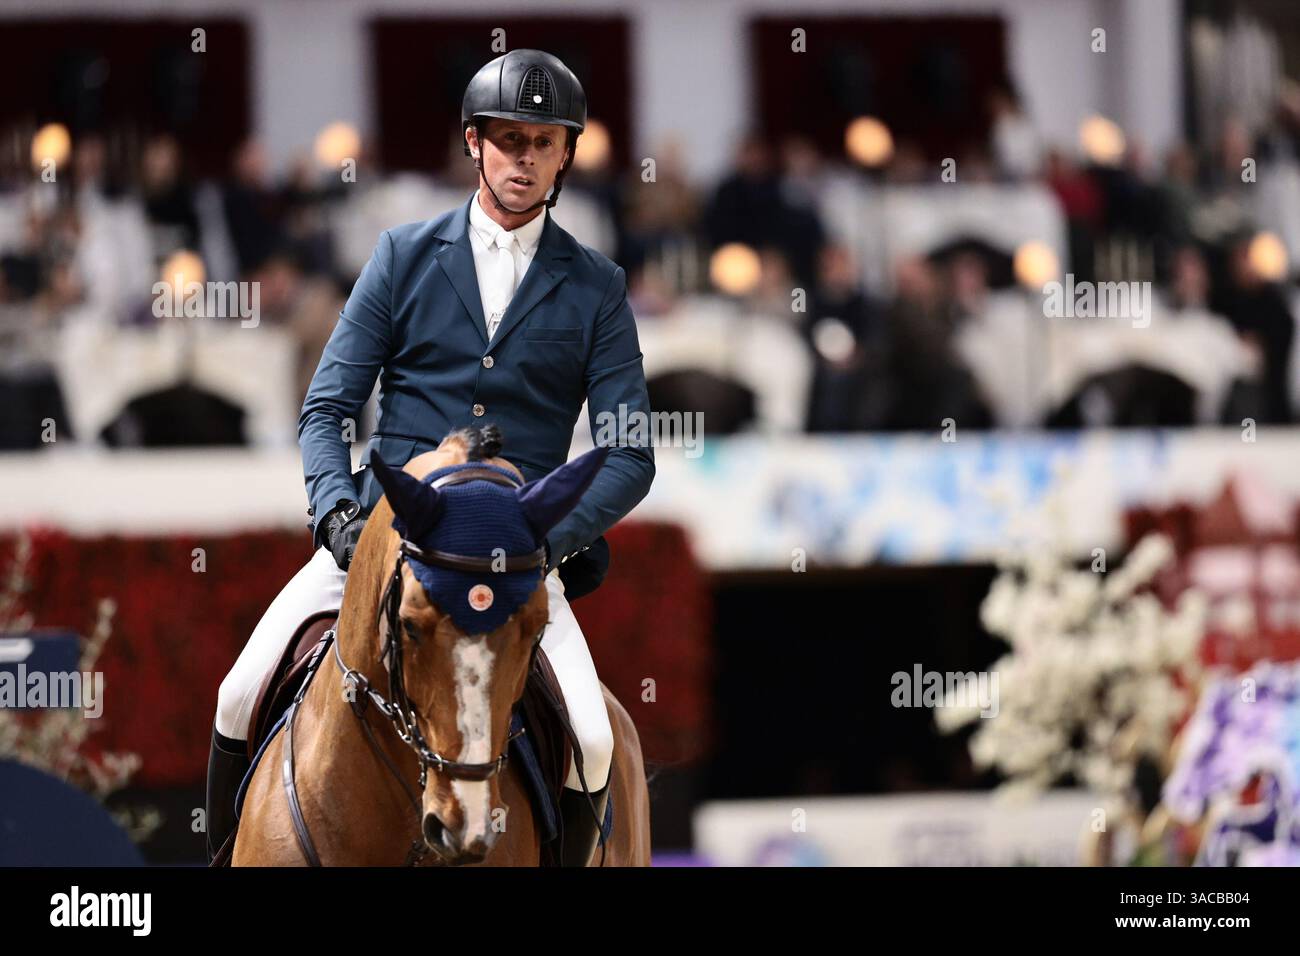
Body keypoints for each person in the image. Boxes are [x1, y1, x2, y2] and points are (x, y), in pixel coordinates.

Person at [205, 49, 655, 865]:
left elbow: (630, 457)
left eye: (543, 142)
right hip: (388, 540)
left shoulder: (597, 286)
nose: (524, 157)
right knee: (240, 692)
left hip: (515, 559)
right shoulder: (403, 256)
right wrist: (341, 517)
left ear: (565, 156)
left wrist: (540, 544)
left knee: (591, 739)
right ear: (474, 144)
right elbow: (327, 407)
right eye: (508, 138)